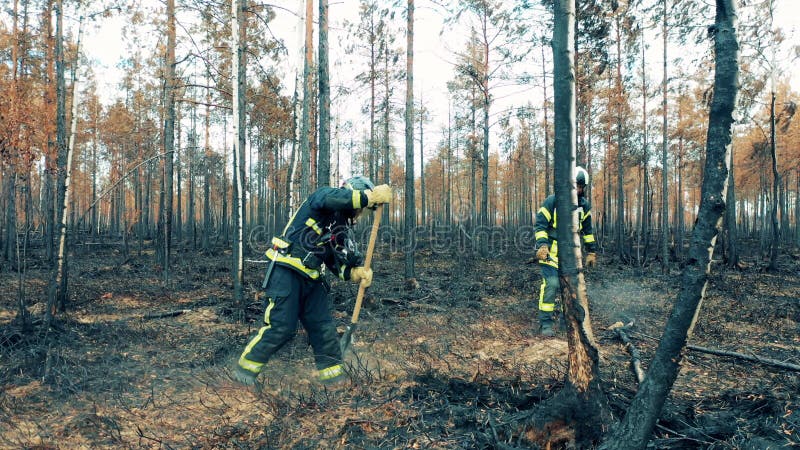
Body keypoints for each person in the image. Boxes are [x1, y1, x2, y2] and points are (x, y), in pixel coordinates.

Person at [233, 176, 392, 385]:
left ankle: (333, 380)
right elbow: (331, 198)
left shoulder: (341, 229)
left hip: (313, 279)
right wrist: (368, 197)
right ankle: (243, 374)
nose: (360, 214)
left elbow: (336, 263)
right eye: (361, 207)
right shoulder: (323, 197)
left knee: (323, 327)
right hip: (286, 270)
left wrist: (354, 273)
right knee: (281, 327)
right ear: (353, 193)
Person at [533, 166, 597, 336]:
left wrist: (591, 251)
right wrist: (542, 245)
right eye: (575, 185)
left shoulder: (584, 206)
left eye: (580, 186)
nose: (577, 189)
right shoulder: (552, 201)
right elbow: (540, 225)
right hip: (550, 253)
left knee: (570, 289)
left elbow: (588, 231)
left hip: (571, 256)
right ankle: (545, 323)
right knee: (552, 285)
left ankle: (565, 322)